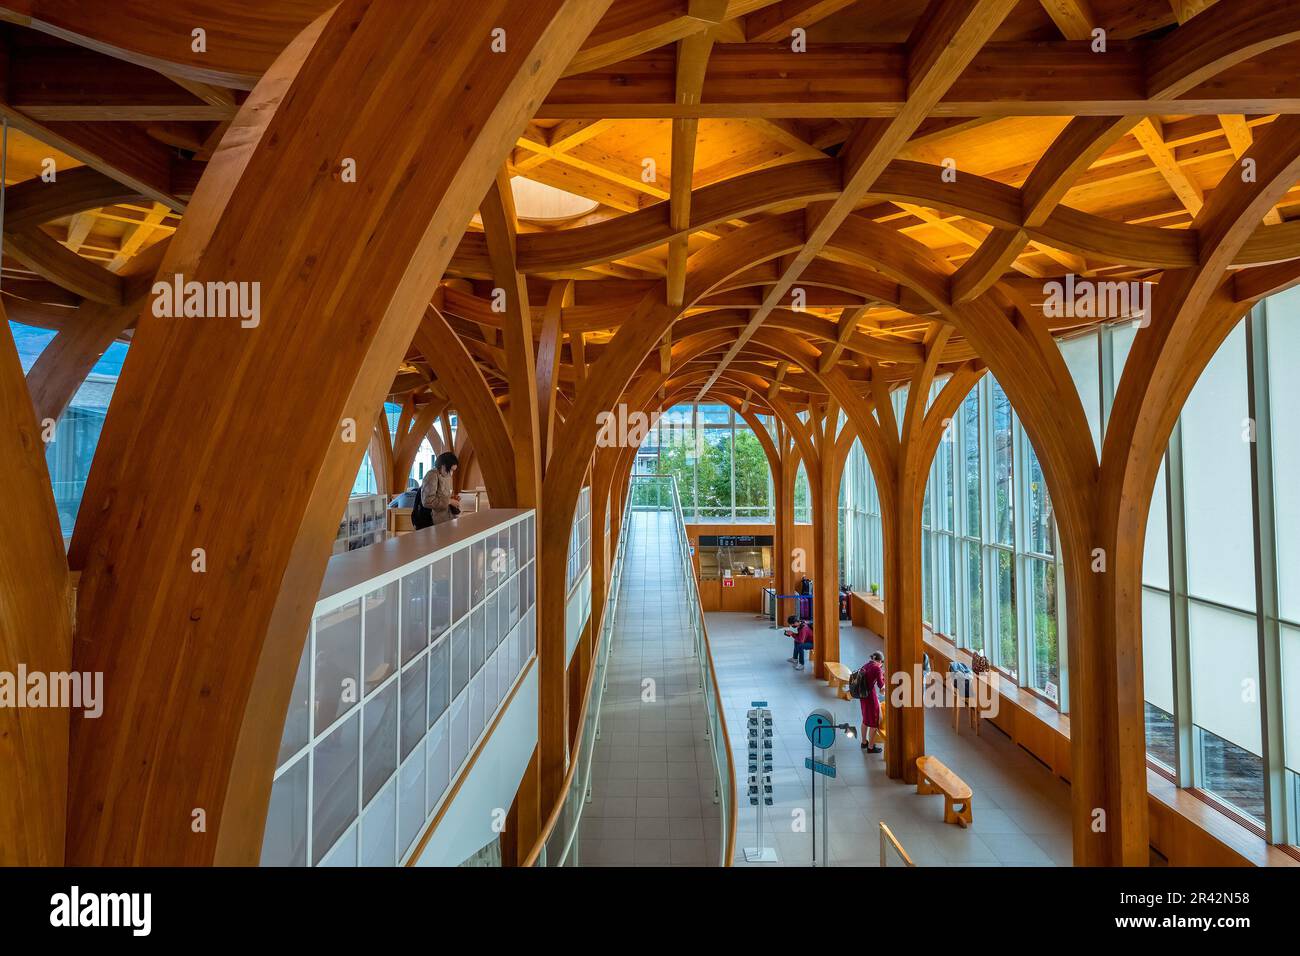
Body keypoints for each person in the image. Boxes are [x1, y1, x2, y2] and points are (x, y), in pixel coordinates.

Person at [413, 452, 459, 530]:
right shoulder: (432, 475)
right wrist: (449, 501)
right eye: (451, 470)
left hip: (442, 520)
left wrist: (452, 498)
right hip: (431, 522)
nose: (451, 473)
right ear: (443, 466)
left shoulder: (445, 476)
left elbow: (440, 495)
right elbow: (427, 501)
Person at [858, 651, 886, 752]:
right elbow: (881, 688)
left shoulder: (866, 665)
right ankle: (870, 747)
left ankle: (864, 742)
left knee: (865, 720)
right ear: (880, 661)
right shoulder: (877, 668)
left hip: (863, 696)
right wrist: (885, 681)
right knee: (874, 722)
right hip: (871, 697)